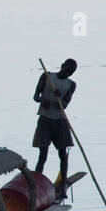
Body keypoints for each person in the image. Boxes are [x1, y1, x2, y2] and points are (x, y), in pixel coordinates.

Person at [33, 59, 77, 196]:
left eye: (71, 72)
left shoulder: (71, 85)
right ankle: (35, 186)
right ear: (62, 66)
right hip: (45, 120)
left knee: (63, 155)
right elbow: (35, 96)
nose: (68, 73)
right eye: (66, 69)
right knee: (42, 155)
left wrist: (60, 98)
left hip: (60, 121)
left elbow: (64, 105)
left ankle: (63, 186)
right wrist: (42, 100)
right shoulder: (47, 76)